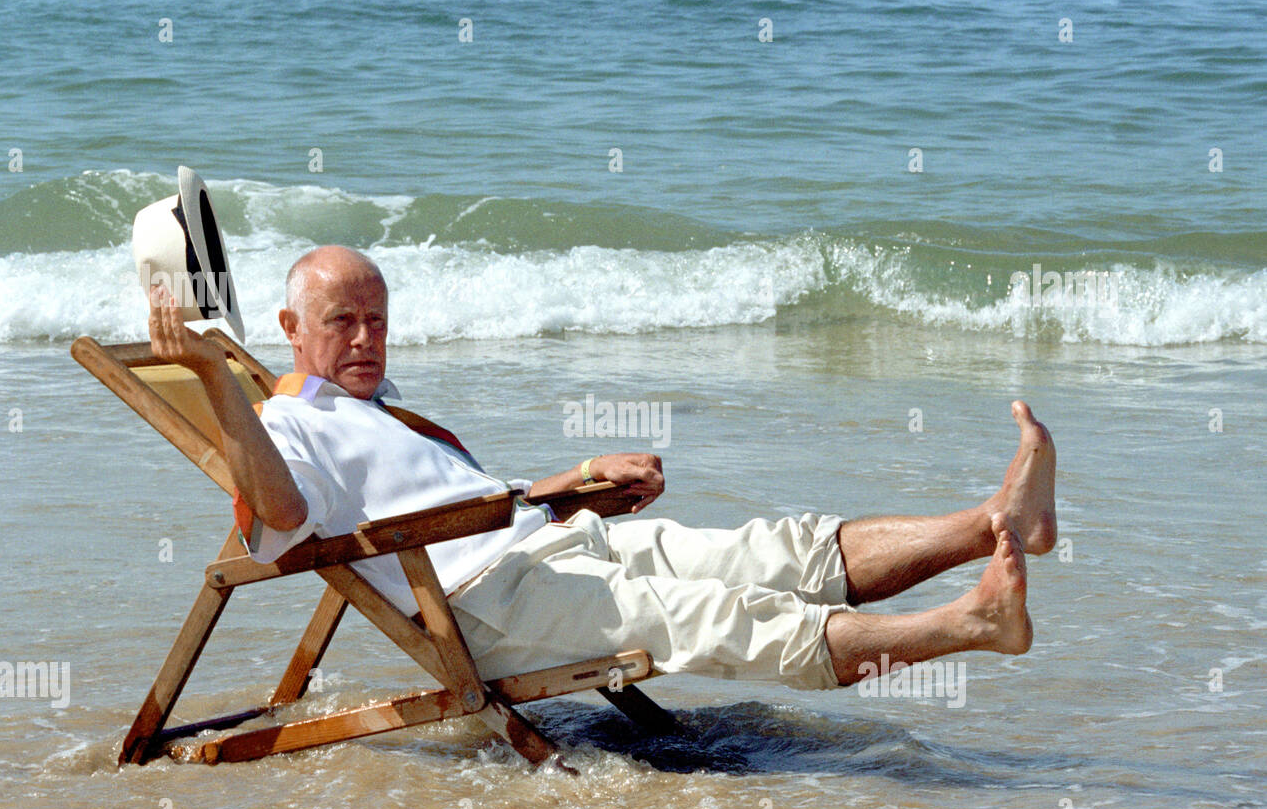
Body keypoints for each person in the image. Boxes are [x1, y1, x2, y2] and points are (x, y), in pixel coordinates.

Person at [147, 245, 1056, 690]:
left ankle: (997, 524)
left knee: (772, 550)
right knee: (722, 614)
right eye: (342, 320)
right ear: (289, 331)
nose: (365, 337)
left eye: (377, 319)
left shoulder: (374, 409)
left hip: (551, 542)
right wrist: (204, 374)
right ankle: (969, 627)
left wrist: (578, 481)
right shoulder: (278, 423)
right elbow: (275, 523)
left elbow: (465, 500)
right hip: (483, 601)